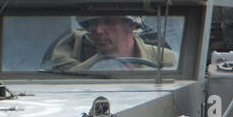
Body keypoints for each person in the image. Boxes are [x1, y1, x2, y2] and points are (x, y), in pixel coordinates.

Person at [42, 15, 179, 71]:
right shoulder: (78, 73)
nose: (98, 30)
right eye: (93, 23)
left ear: (130, 26)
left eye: (109, 22)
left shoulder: (168, 60)